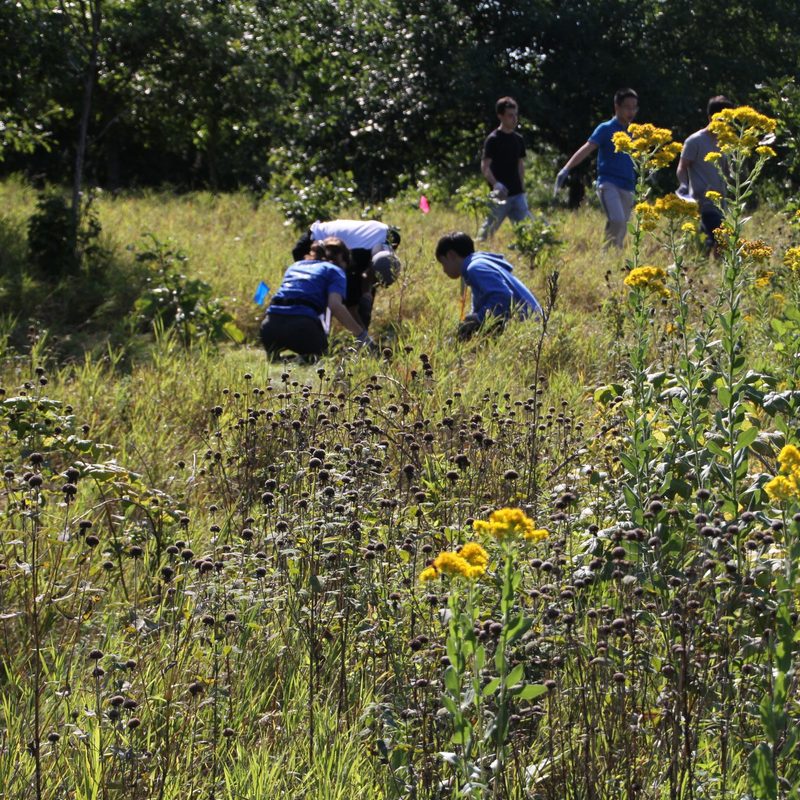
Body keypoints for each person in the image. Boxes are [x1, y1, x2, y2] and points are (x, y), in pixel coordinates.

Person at [260, 237, 375, 359]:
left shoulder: (295, 266)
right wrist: (361, 335)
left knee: (278, 358)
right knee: (328, 357)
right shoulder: (335, 270)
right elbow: (335, 306)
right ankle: (302, 359)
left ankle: (280, 358)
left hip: (269, 327)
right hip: (301, 326)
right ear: (342, 259)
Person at [554, 88, 639, 248]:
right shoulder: (605, 129)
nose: (631, 111)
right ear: (617, 107)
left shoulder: (634, 132)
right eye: (627, 107)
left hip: (628, 186)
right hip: (608, 183)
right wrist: (566, 169)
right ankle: (607, 255)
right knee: (617, 219)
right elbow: (586, 149)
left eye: (634, 107)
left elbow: (639, 155)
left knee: (621, 228)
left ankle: (610, 259)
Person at [291, 219, 401, 330]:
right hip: (311, 245)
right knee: (325, 294)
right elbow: (351, 303)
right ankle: (314, 332)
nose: (377, 284)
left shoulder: (392, 238)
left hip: (335, 245)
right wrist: (362, 335)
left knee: (360, 293)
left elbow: (369, 276)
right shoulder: (356, 256)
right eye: (377, 281)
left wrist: (366, 294)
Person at [435, 231, 541, 340]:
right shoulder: (479, 263)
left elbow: (502, 296)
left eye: (443, 263)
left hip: (529, 328)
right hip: (533, 324)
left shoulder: (475, 268)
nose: (444, 270)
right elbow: (483, 304)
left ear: (451, 255)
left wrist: (478, 319)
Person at [676, 95, 734, 253]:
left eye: (728, 119)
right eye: (722, 119)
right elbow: (682, 168)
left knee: (707, 244)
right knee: (720, 240)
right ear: (710, 117)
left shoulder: (726, 141)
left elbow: (728, 172)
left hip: (720, 203)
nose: (725, 124)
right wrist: (683, 186)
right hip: (702, 202)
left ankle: (705, 271)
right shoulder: (694, 141)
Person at [478, 96, 533, 240]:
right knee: (487, 233)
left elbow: (520, 164)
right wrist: (496, 184)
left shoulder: (518, 139)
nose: (514, 119)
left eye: (515, 115)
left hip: (517, 194)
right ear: (500, 116)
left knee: (529, 231)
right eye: (510, 115)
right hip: (500, 196)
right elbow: (485, 166)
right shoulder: (493, 139)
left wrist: (522, 187)